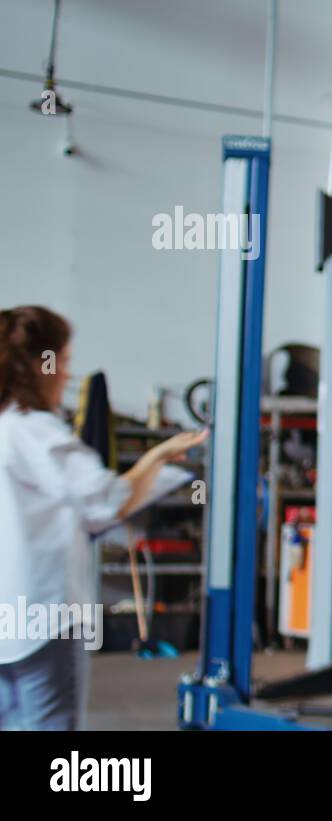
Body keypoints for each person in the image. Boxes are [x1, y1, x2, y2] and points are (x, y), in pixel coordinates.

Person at [0, 305, 208, 730]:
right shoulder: (37, 431)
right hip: (44, 620)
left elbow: (84, 514)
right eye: (64, 362)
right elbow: (109, 501)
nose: (65, 375)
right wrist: (158, 455)